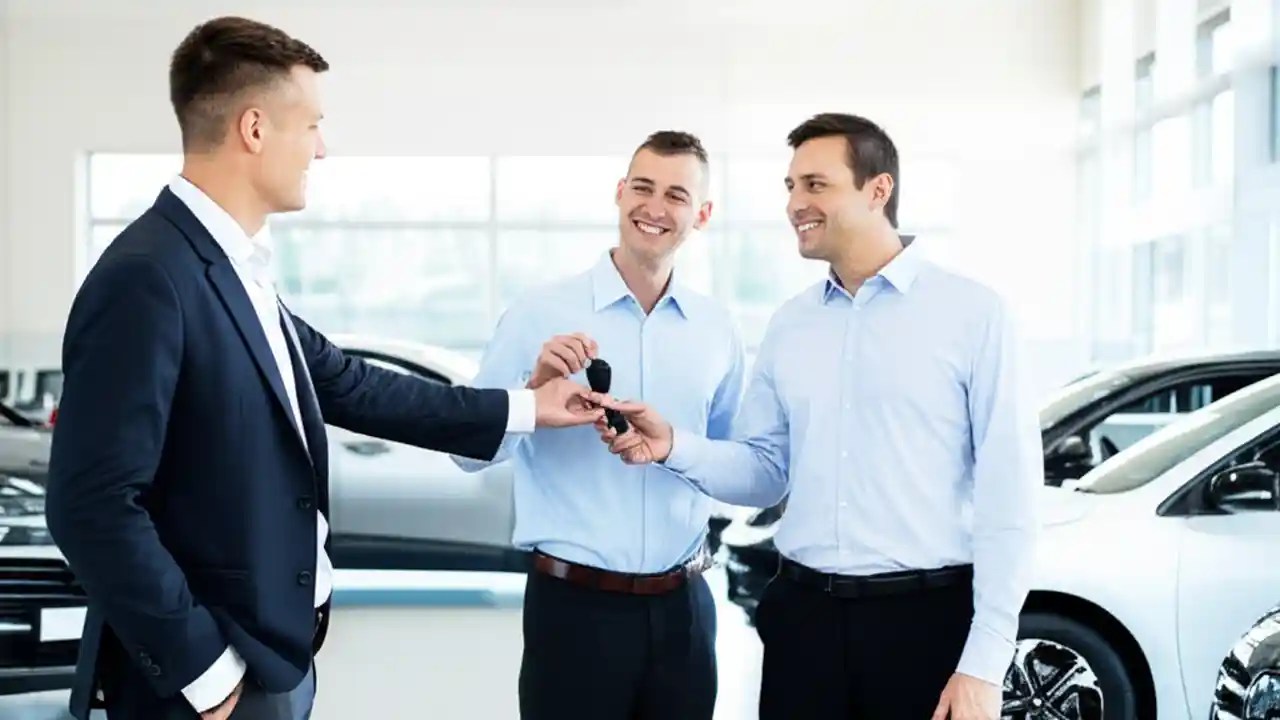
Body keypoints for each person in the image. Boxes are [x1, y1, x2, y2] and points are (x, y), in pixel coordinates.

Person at [44, 16, 600, 720]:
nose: (323, 149)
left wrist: (527, 407)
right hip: (209, 678)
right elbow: (89, 504)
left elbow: (350, 382)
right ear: (253, 129)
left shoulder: (232, 270)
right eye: (311, 125)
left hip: (274, 655)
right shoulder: (148, 276)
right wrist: (204, 669)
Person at [594, 113, 1043, 720]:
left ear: (877, 190)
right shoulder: (791, 324)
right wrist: (671, 444)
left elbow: (1009, 497)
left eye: (815, 184)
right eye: (789, 187)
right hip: (803, 622)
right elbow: (765, 471)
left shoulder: (974, 315)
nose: (795, 204)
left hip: (925, 625)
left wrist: (985, 663)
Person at [451, 131, 745, 720]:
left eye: (676, 195)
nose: (654, 207)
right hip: (574, 611)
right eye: (642, 187)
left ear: (703, 214)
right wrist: (532, 397)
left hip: (684, 608)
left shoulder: (718, 329)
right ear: (619, 193)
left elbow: (734, 464)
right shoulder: (539, 312)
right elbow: (468, 454)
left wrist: (671, 450)